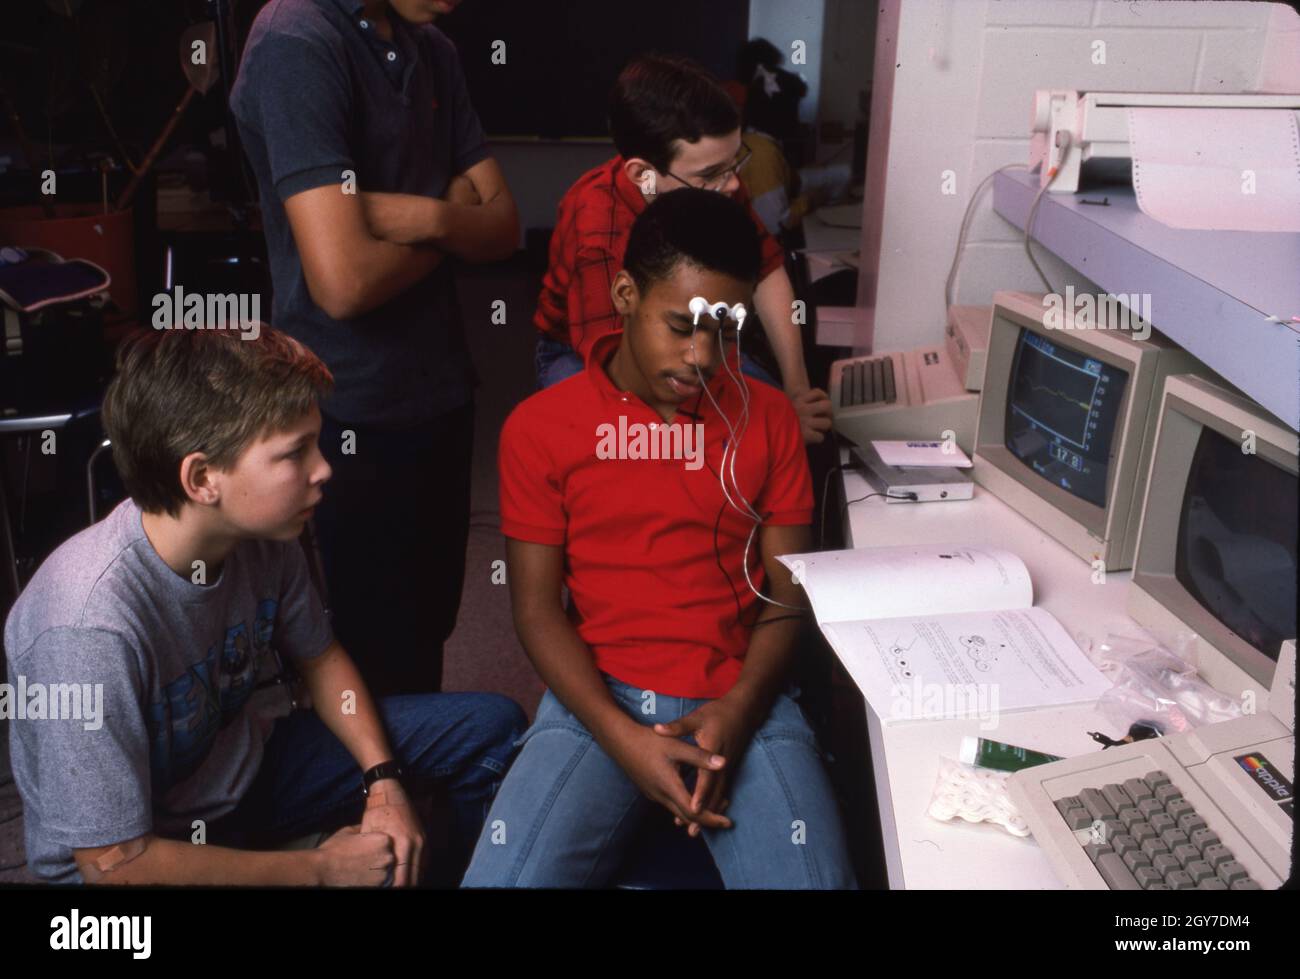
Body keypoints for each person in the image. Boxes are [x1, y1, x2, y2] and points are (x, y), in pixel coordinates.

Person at [2, 326, 525, 885]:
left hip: (242, 781)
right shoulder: (83, 629)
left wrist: (385, 779)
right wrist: (320, 869)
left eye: (317, 443)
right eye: (295, 452)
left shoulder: (260, 534)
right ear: (203, 478)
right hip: (134, 867)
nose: (323, 469)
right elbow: (116, 867)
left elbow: (321, 660)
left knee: (491, 728)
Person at [463, 189, 856, 888]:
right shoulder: (539, 428)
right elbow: (536, 611)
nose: (703, 355)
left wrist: (738, 710)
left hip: (745, 695)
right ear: (623, 293)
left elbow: (786, 599)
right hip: (598, 700)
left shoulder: (767, 419)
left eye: (725, 332)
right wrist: (626, 742)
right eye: (680, 325)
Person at [230, 0, 519, 696]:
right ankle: (378, 796)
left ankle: (416, 791)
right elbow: (346, 283)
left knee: (430, 627)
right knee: (366, 643)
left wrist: (422, 216)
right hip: (345, 403)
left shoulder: (434, 50)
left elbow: (505, 227)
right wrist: (455, 226)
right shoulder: (297, 39)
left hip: (441, 388)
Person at [532, 53, 833, 446]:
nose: (731, 186)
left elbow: (767, 270)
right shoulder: (597, 227)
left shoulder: (715, 182)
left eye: (734, 164)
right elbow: (619, 366)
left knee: (773, 426)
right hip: (591, 352)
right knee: (628, 447)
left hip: (695, 330)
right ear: (644, 175)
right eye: (711, 174)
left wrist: (796, 391)